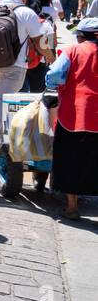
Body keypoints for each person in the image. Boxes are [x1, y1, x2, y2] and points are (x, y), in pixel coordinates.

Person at [0, 0, 45, 154]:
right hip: (15, 64)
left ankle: (2, 141)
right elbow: (39, 41)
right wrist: (51, 58)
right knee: (1, 102)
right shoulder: (26, 12)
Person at [47, 17, 98, 220]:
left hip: (76, 114)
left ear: (80, 36)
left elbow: (55, 75)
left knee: (70, 158)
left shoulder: (73, 50)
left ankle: (72, 206)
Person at [24, 0, 57, 94]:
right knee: (37, 93)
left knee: (20, 93)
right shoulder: (44, 24)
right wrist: (52, 57)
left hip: (18, 62)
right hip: (39, 62)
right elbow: (51, 44)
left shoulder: (18, 21)